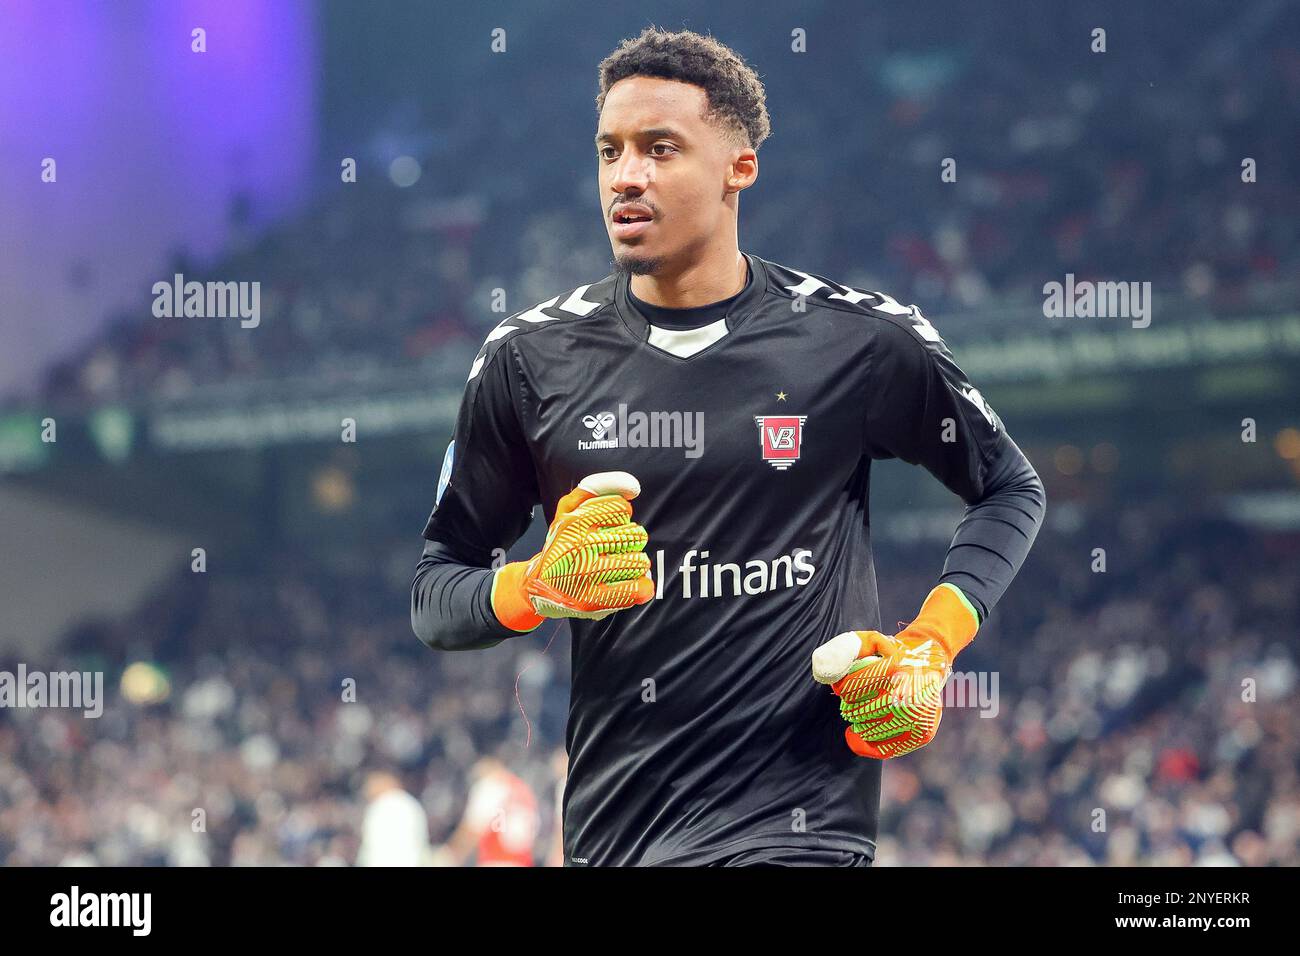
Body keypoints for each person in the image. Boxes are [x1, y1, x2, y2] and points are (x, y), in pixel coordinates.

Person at [412, 27, 1045, 866]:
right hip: (619, 839)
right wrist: (536, 586)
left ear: (739, 167)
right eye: (610, 150)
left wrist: (929, 643)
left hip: (800, 833)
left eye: (660, 148)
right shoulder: (528, 360)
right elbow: (435, 591)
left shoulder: (858, 342)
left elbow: (1008, 488)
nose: (625, 175)